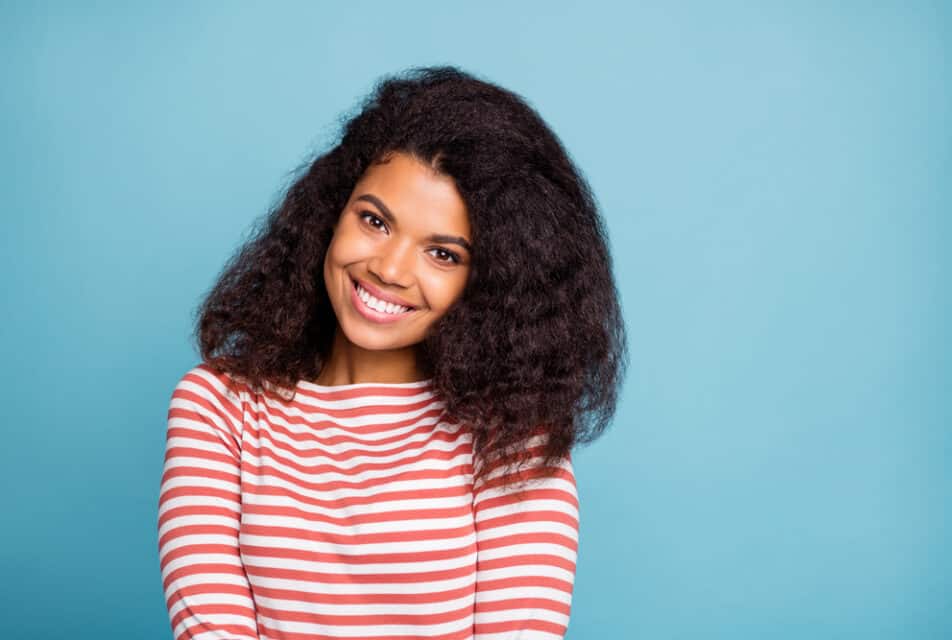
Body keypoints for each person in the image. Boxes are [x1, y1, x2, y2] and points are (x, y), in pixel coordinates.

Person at [158, 65, 626, 640]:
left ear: (494, 285)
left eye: (443, 255)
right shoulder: (218, 408)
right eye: (375, 221)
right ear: (330, 210)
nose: (390, 269)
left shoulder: (509, 434)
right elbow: (210, 630)